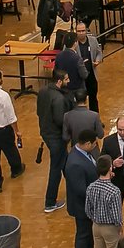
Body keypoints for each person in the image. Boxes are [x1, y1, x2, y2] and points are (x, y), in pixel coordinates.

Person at [66, 131, 103, 248]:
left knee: (88, 232)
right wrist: (99, 192)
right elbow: (81, 189)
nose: (95, 146)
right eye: (94, 144)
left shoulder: (83, 154)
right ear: (87, 144)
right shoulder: (75, 163)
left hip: (88, 205)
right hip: (81, 207)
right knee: (83, 234)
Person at [38, 67, 74, 213]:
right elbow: (61, 121)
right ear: (59, 81)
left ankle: (73, 188)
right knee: (56, 168)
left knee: (64, 162)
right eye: (66, 79)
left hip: (46, 132)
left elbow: (39, 112)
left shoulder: (43, 91)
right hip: (56, 137)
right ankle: (50, 202)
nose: (69, 81)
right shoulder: (59, 99)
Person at [87, 155, 124, 248]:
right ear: (110, 168)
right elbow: (116, 214)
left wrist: (95, 219)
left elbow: (88, 209)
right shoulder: (114, 191)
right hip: (110, 228)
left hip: (96, 226)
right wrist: (120, 227)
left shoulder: (91, 187)